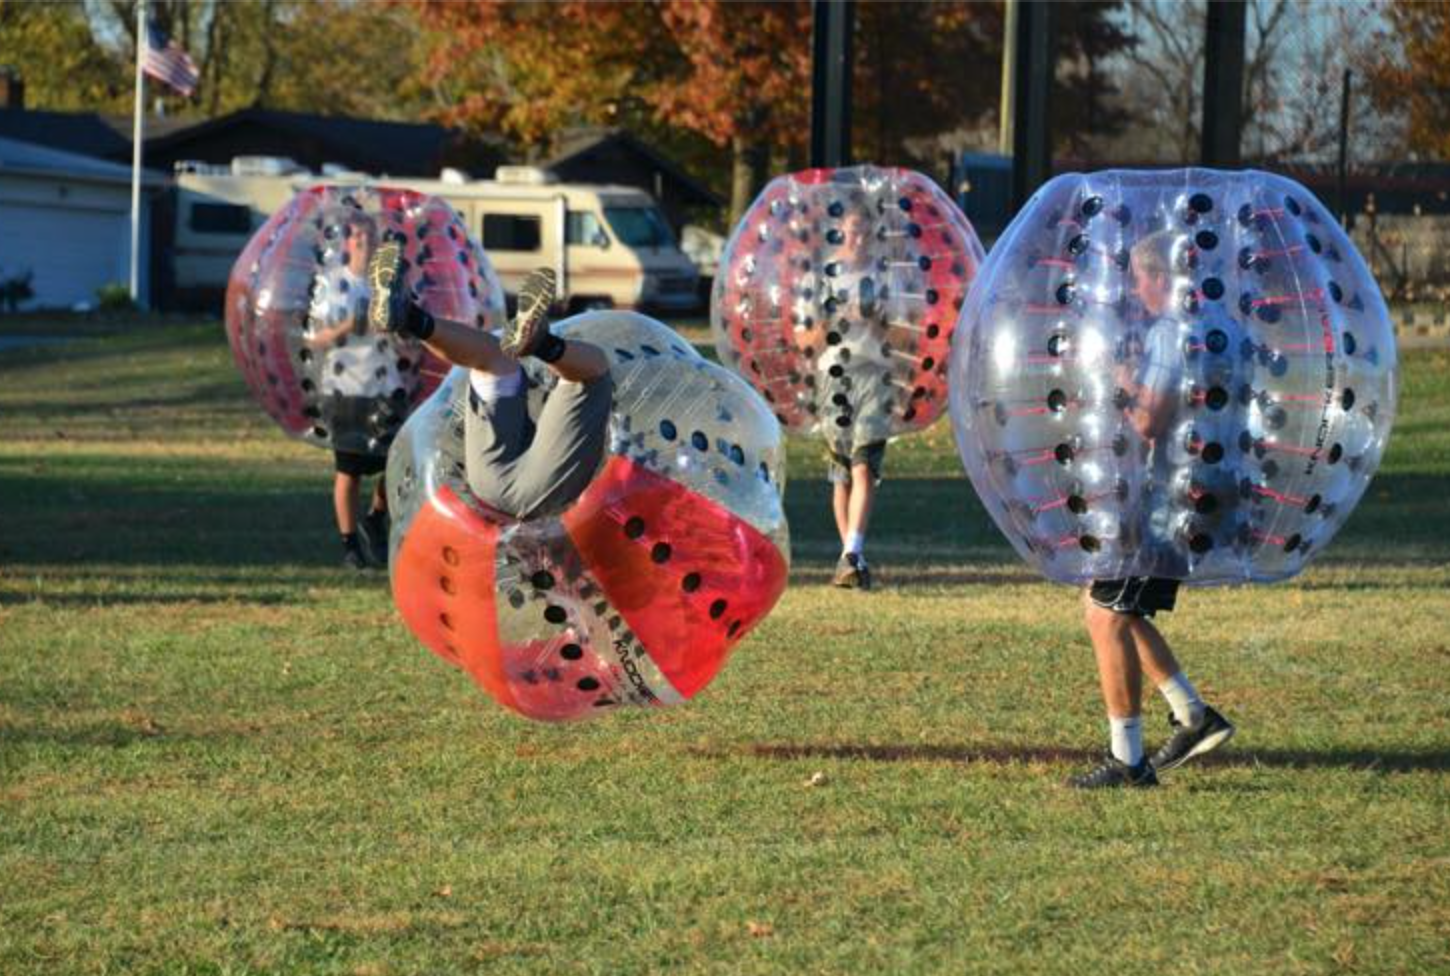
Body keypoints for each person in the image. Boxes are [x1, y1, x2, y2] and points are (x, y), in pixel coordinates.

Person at [1069, 228, 1235, 790]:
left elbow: (1148, 422)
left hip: (1177, 496)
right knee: (1112, 601)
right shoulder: (1218, 327)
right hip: (1205, 490)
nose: (1136, 289)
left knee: (1105, 610)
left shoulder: (1171, 336)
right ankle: (1192, 716)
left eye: (1140, 278)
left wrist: (1120, 379)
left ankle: (1129, 761)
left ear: (1161, 278)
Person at [365, 244, 613, 522]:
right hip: (523, 492)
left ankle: (411, 318)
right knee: (593, 374)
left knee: (496, 359)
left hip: (487, 478)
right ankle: (540, 343)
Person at [305, 217, 396, 569]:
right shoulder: (332, 284)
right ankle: (350, 547)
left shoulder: (385, 283)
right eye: (356, 235)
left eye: (369, 234)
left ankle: (375, 517)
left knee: (395, 461)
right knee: (349, 469)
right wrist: (352, 324)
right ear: (346, 243)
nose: (363, 241)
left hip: (385, 385)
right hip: (343, 388)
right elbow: (314, 339)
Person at [819, 209, 889, 591]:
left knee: (864, 466)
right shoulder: (827, 276)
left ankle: (852, 551)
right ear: (841, 232)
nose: (859, 238)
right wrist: (834, 320)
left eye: (865, 232)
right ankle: (850, 556)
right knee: (841, 473)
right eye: (853, 231)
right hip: (834, 373)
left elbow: (896, 328)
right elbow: (809, 329)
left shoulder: (882, 275)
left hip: (874, 372)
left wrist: (874, 318)